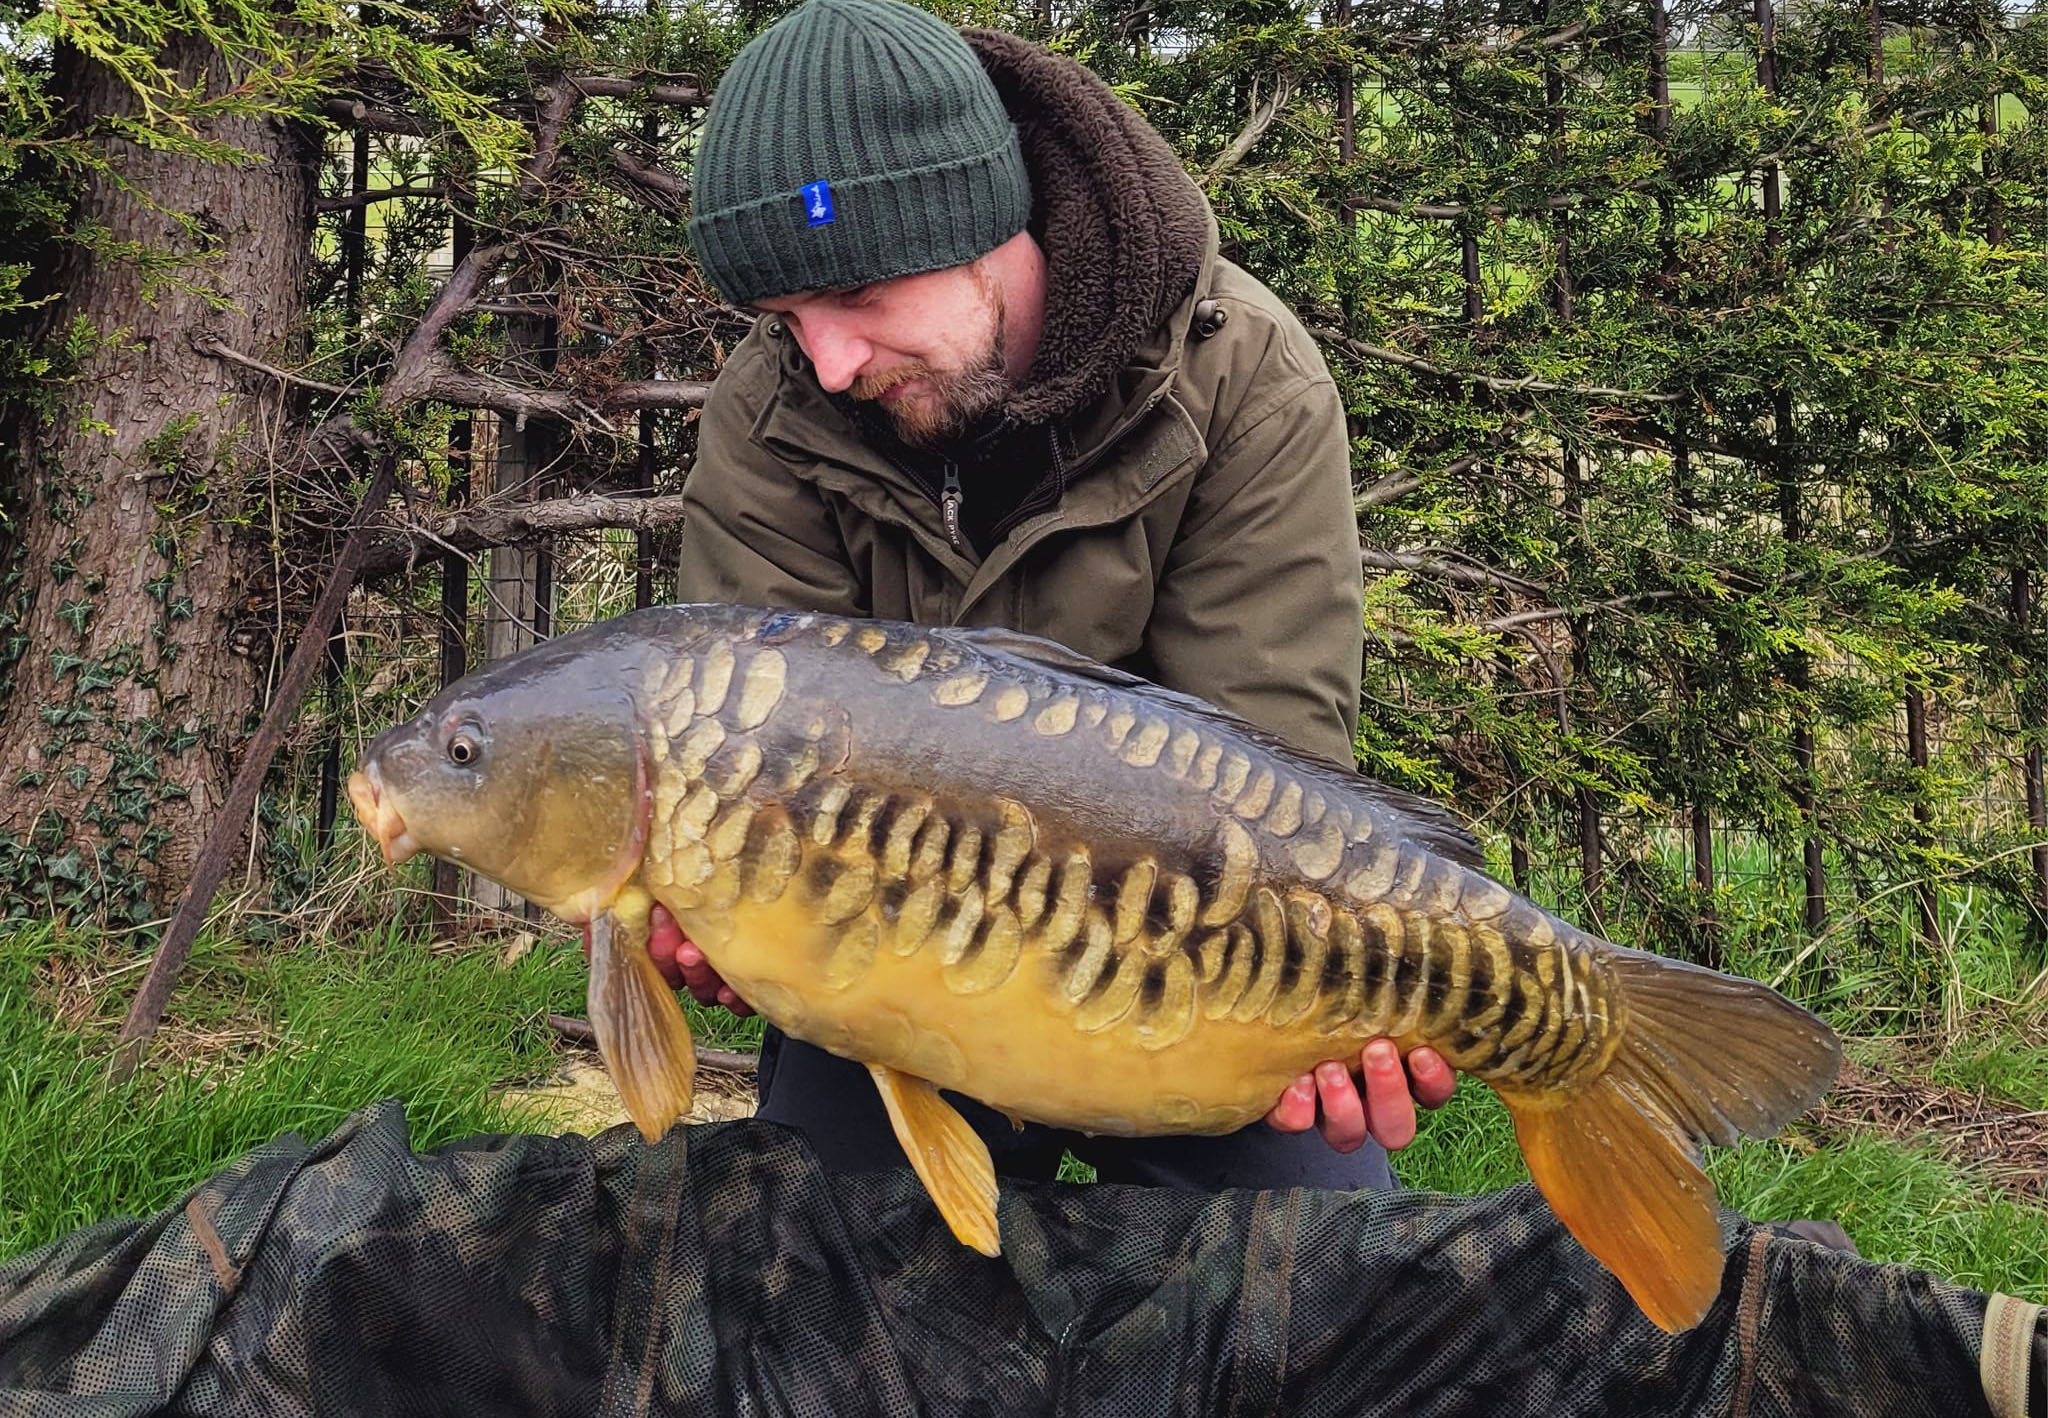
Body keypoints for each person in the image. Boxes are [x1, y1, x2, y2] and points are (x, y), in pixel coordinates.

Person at [651, 0, 1455, 1192]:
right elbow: (756, 760)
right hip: (889, 962)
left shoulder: (1242, 375)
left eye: (858, 295)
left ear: (984, 223)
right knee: (816, 1272)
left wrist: (1326, 985)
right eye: (784, 319)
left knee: (1313, 1270)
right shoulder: (775, 409)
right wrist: (729, 914)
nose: (829, 362)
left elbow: (1271, 771)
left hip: (1179, 951)